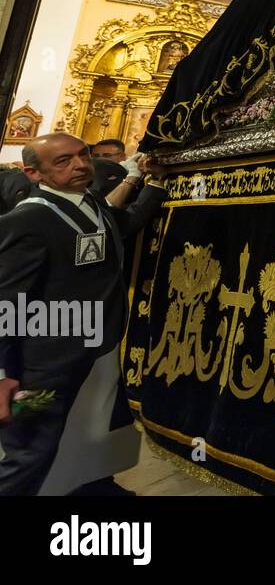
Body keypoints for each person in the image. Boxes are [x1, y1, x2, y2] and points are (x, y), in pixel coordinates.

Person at [0, 133, 166, 495]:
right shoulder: (27, 220)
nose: (79, 165)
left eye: (82, 156)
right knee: (30, 455)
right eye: (63, 161)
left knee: (93, 440)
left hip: (98, 353)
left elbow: (122, 229)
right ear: (33, 173)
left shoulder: (89, 200)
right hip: (44, 366)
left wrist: (153, 183)